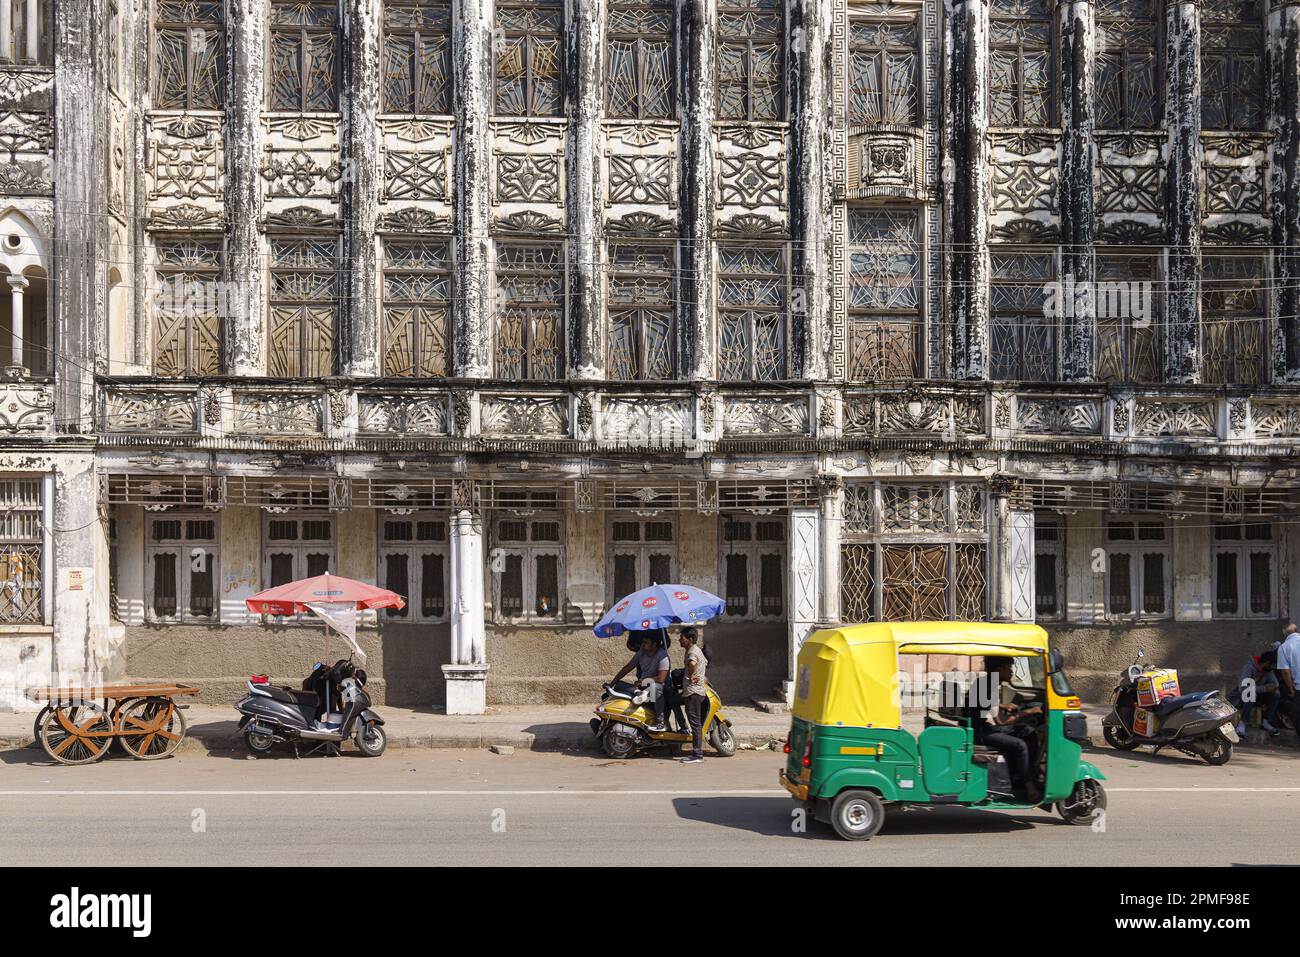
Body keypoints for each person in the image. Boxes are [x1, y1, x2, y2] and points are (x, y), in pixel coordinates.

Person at [975, 656, 1043, 803]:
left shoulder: (986, 683)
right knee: (1020, 745)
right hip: (984, 732)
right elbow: (1001, 721)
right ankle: (1029, 785)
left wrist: (1002, 706)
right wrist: (1027, 713)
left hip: (982, 727)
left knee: (1027, 732)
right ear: (999, 670)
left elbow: (984, 705)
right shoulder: (989, 686)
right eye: (1009, 668)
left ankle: (1019, 773)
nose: (1012, 672)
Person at [613, 631, 670, 732]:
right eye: (643, 642)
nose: (643, 645)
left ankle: (660, 723)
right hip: (642, 687)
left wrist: (644, 680)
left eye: (646, 643)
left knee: (655, 688)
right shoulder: (641, 652)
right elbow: (628, 667)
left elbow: (661, 679)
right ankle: (638, 693)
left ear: (654, 644)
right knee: (618, 685)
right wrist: (612, 683)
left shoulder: (662, 656)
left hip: (656, 688)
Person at [1228, 650, 1280, 737]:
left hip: (1256, 697)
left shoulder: (1268, 671)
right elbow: (1243, 689)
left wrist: (1272, 688)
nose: (1273, 668)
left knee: (1276, 694)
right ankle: (1242, 724)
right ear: (1267, 663)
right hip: (1239, 698)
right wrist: (1265, 689)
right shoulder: (1249, 668)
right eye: (1273, 665)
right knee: (1251, 694)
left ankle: (1266, 722)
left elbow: (1275, 684)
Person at [677, 628, 708, 764]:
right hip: (693, 691)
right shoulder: (695, 650)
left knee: (695, 724)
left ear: (689, 639)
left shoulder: (692, 652)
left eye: (682, 637)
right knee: (673, 702)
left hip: (693, 692)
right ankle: (683, 728)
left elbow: (692, 663)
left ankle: (697, 754)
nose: (679, 639)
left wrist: (690, 675)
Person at [1275, 624, 1300, 737]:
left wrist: (1291, 689)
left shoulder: (1284, 647)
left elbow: (1285, 672)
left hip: (1298, 686)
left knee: (1298, 715)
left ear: (1284, 634)